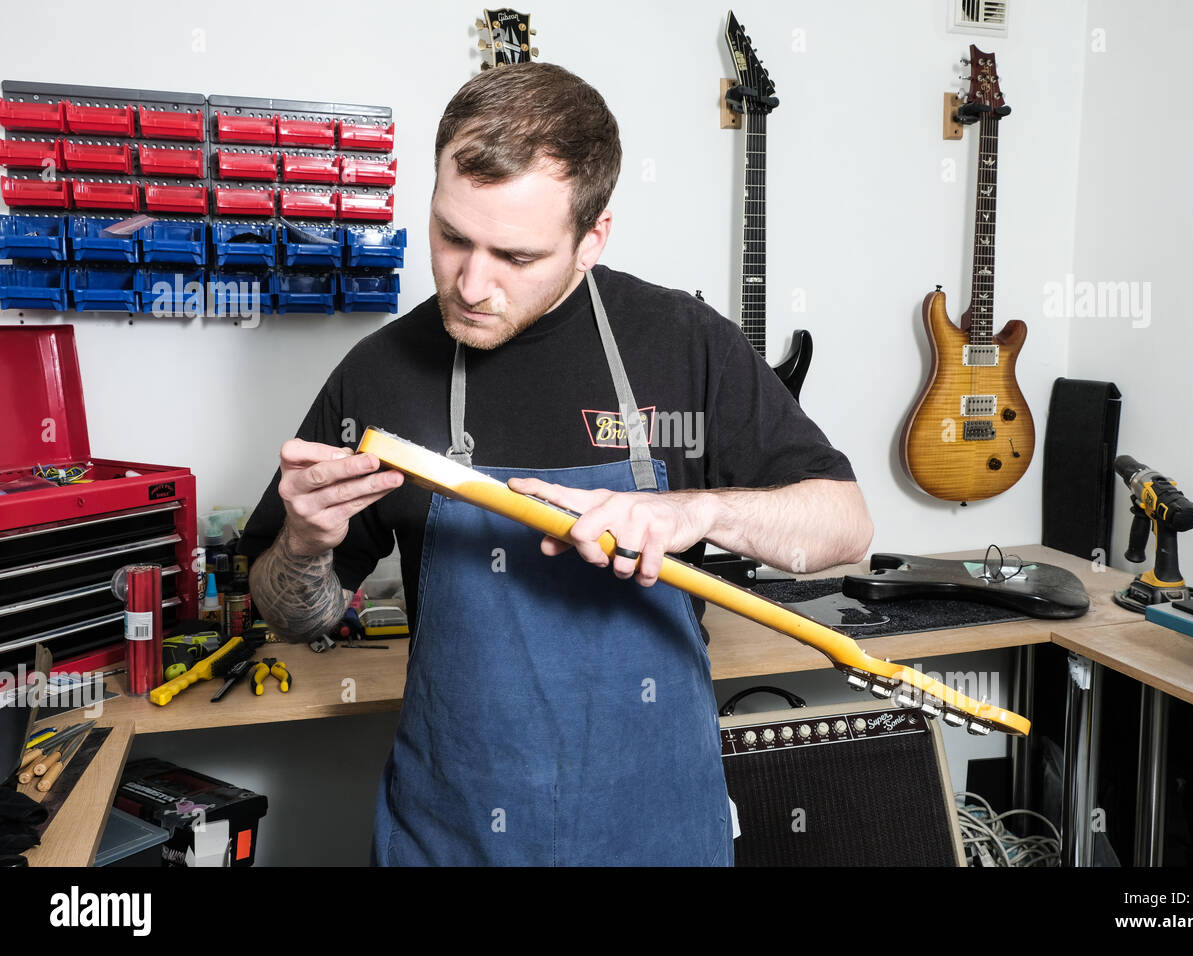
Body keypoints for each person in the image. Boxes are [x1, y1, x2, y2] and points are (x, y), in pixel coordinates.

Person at [242, 62, 873, 866]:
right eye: (451, 236)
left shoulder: (683, 343)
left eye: (515, 255)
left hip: (658, 829)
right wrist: (301, 548)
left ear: (592, 238)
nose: (471, 284)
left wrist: (699, 513)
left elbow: (845, 524)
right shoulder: (380, 375)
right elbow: (292, 618)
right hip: (454, 835)